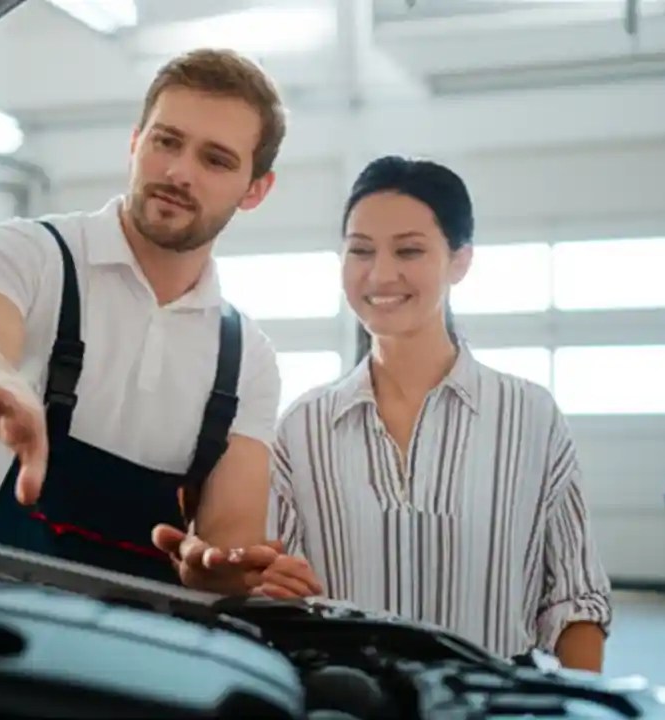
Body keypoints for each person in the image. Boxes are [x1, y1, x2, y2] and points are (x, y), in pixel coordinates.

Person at [0, 48, 300, 595]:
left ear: (256, 189)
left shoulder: (246, 359)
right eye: (167, 141)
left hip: (126, 662)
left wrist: (222, 569)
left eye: (215, 159)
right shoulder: (25, 254)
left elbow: (227, 539)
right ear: (136, 143)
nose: (178, 171)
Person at [257, 155, 612, 671]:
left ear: (460, 260)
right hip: (349, 697)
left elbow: (577, 600)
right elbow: (279, 600)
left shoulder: (529, 415)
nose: (380, 273)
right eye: (360, 250)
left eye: (409, 250)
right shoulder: (302, 426)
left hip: (490, 701)